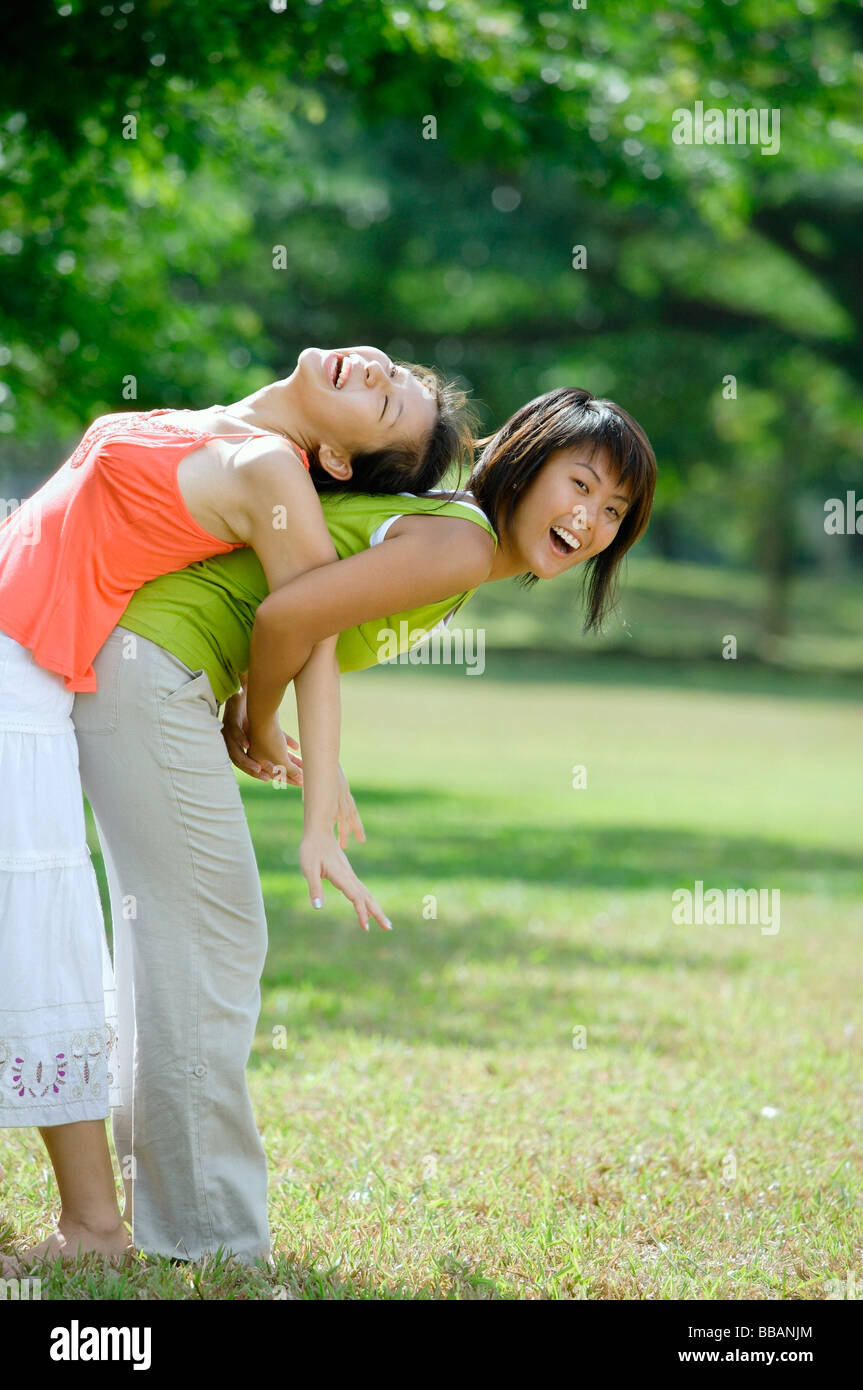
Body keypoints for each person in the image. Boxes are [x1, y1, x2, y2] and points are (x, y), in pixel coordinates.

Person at [1, 386, 656, 1272]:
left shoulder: (450, 541)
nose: (589, 517)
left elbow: (297, 609)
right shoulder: (459, 545)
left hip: (147, 674)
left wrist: (269, 730)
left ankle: (138, 1226)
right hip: (149, 674)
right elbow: (286, 616)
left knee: (185, 945)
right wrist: (258, 720)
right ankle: (206, 1243)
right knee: (210, 942)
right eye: (578, 483)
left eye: (614, 510)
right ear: (525, 459)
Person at [0, 345, 473, 1270]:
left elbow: (311, 634)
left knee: (41, 943)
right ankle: (97, 1228)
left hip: (18, 674)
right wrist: (234, 710)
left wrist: (314, 800)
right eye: (391, 371)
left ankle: (95, 1231)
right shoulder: (219, 424)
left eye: (386, 405)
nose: (374, 373)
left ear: (338, 466)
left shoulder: (271, 473)